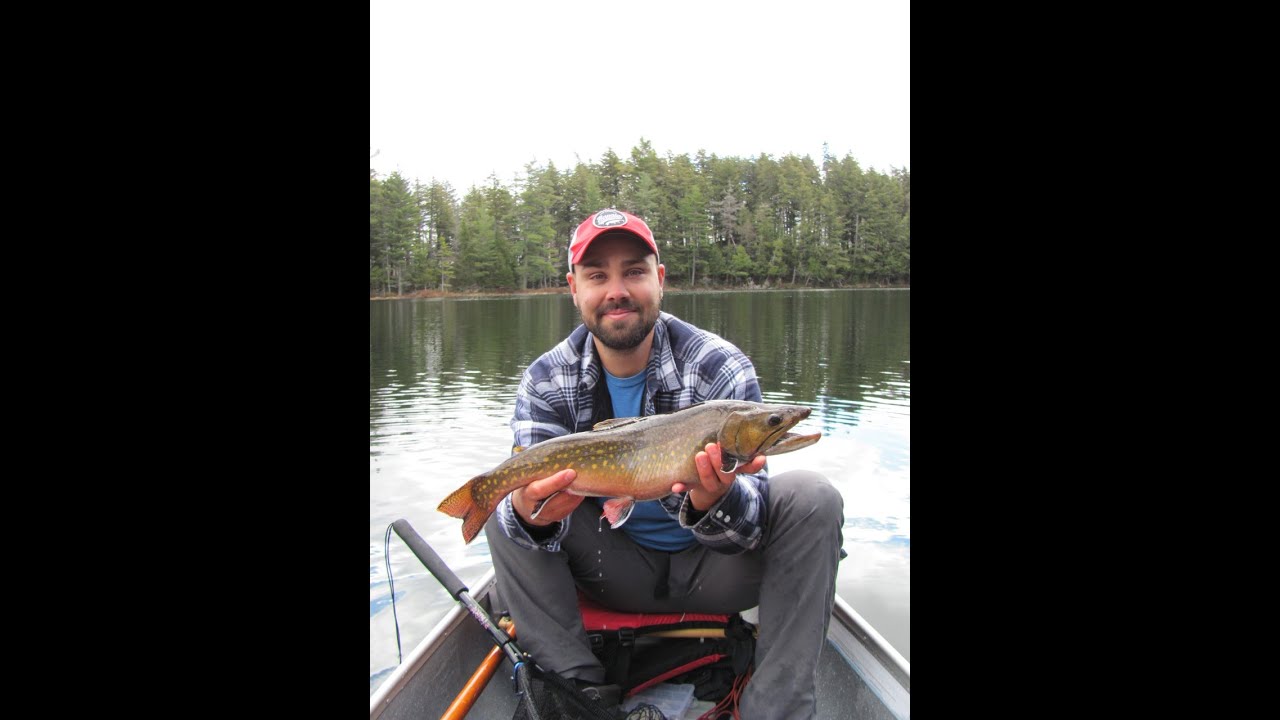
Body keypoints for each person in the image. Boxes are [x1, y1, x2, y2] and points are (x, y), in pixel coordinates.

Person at [484, 208, 845, 719]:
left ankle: (775, 710)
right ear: (574, 289)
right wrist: (532, 514)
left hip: (717, 572)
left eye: (634, 271)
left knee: (813, 498)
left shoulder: (719, 365)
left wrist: (715, 498)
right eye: (597, 276)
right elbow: (531, 529)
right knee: (504, 507)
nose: (617, 291)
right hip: (607, 568)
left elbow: (750, 528)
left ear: (660, 279)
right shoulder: (545, 380)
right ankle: (578, 697)